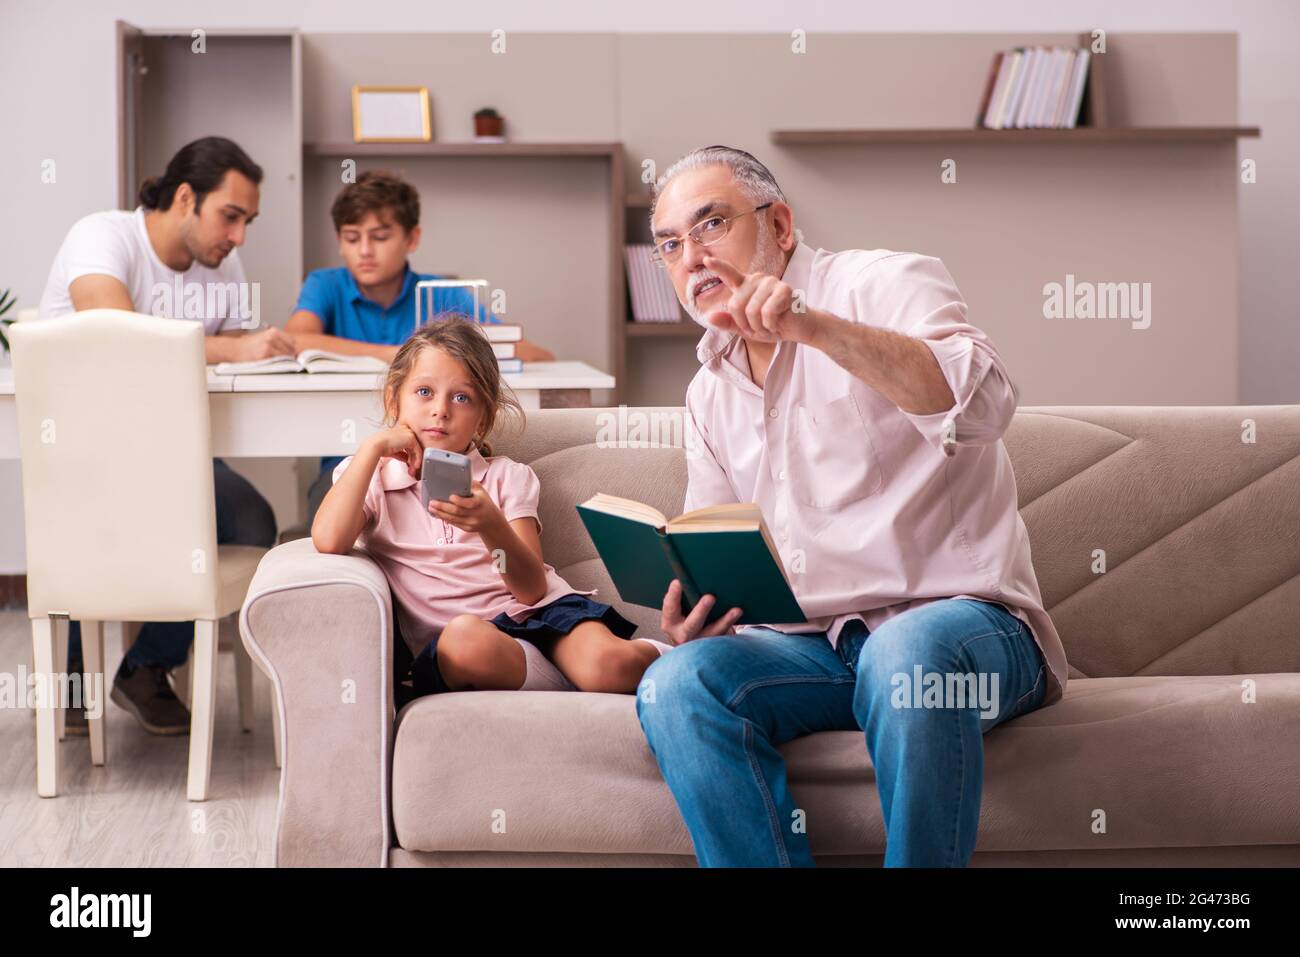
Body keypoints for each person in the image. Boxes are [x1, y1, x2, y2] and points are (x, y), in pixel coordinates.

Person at [634, 145, 1070, 867]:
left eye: (711, 225)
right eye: (672, 245)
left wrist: (816, 328)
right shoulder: (708, 388)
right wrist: (701, 611)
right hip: (816, 647)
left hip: (965, 630)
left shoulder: (883, 281)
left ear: (779, 224)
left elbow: (988, 404)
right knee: (674, 684)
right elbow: (717, 539)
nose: (692, 256)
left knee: (905, 655)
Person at [38, 136, 282, 736]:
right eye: (230, 216)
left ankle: (145, 668)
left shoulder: (225, 267)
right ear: (183, 198)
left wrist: (252, 354)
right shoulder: (102, 236)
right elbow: (114, 331)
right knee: (92, 522)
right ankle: (74, 676)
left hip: (176, 453)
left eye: (248, 220)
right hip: (83, 454)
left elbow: (239, 365)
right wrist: (234, 347)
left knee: (251, 522)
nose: (239, 236)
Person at [312, 315, 670, 696]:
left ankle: (664, 661)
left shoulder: (506, 478)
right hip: (469, 642)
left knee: (609, 667)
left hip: (544, 616)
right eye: (424, 392)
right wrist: (373, 448)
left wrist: (490, 526)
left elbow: (532, 590)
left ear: (483, 417)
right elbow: (329, 539)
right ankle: (565, 679)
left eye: (461, 397)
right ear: (393, 399)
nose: (441, 410)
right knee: (464, 639)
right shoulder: (372, 477)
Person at [288, 170, 554, 527]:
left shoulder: (440, 293)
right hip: (354, 465)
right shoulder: (325, 285)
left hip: (444, 459)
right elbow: (295, 340)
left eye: (380, 237)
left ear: (412, 238)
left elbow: (527, 351)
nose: (364, 251)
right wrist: (391, 354)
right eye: (351, 238)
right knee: (326, 514)